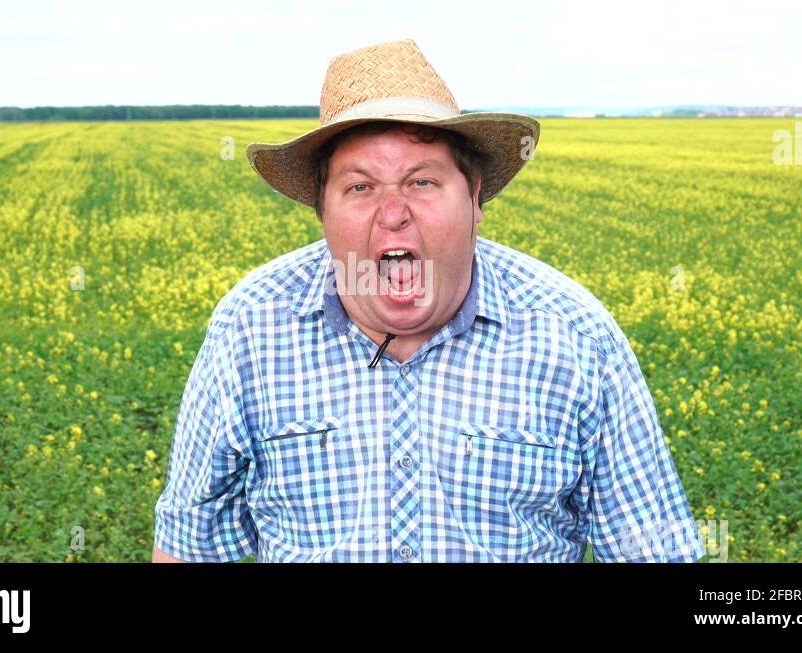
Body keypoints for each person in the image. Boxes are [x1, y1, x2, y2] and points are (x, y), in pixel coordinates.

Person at [152, 38, 706, 563]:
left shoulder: (576, 337)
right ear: (322, 213)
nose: (393, 214)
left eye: (422, 182)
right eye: (360, 187)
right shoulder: (250, 328)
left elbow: (652, 549)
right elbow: (189, 547)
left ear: (475, 201)